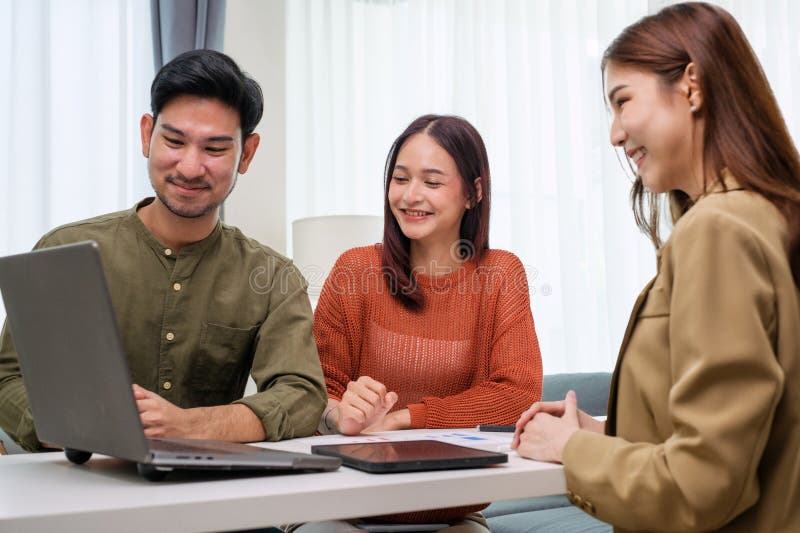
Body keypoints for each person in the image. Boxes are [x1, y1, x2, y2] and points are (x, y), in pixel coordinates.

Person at [512, 3, 800, 531]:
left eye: (623, 102)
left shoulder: (719, 232)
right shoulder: (763, 217)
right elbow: (751, 446)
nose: (615, 136)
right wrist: (602, 435)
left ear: (692, 85)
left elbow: (702, 484)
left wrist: (574, 450)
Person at [0, 49, 327, 452]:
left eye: (214, 149)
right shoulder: (63, 250)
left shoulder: (273, 277)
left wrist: (190, 425)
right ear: (146, 135)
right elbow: (10, 379)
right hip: (77, 489)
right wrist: (81, 430)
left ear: (247, 154)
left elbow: (302, 394)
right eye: (174, 141)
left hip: (210, 503)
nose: (189, 167)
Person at [298, 114, 543, 532]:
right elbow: (312, 390)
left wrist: (406, 417)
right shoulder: (355, 268)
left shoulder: (501, 274)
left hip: (453, 507)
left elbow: (517, 395)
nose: (411, 196)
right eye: (400, 179)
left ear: (474, 192)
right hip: (341, 504)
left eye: (432, 182)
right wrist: (340, 413)